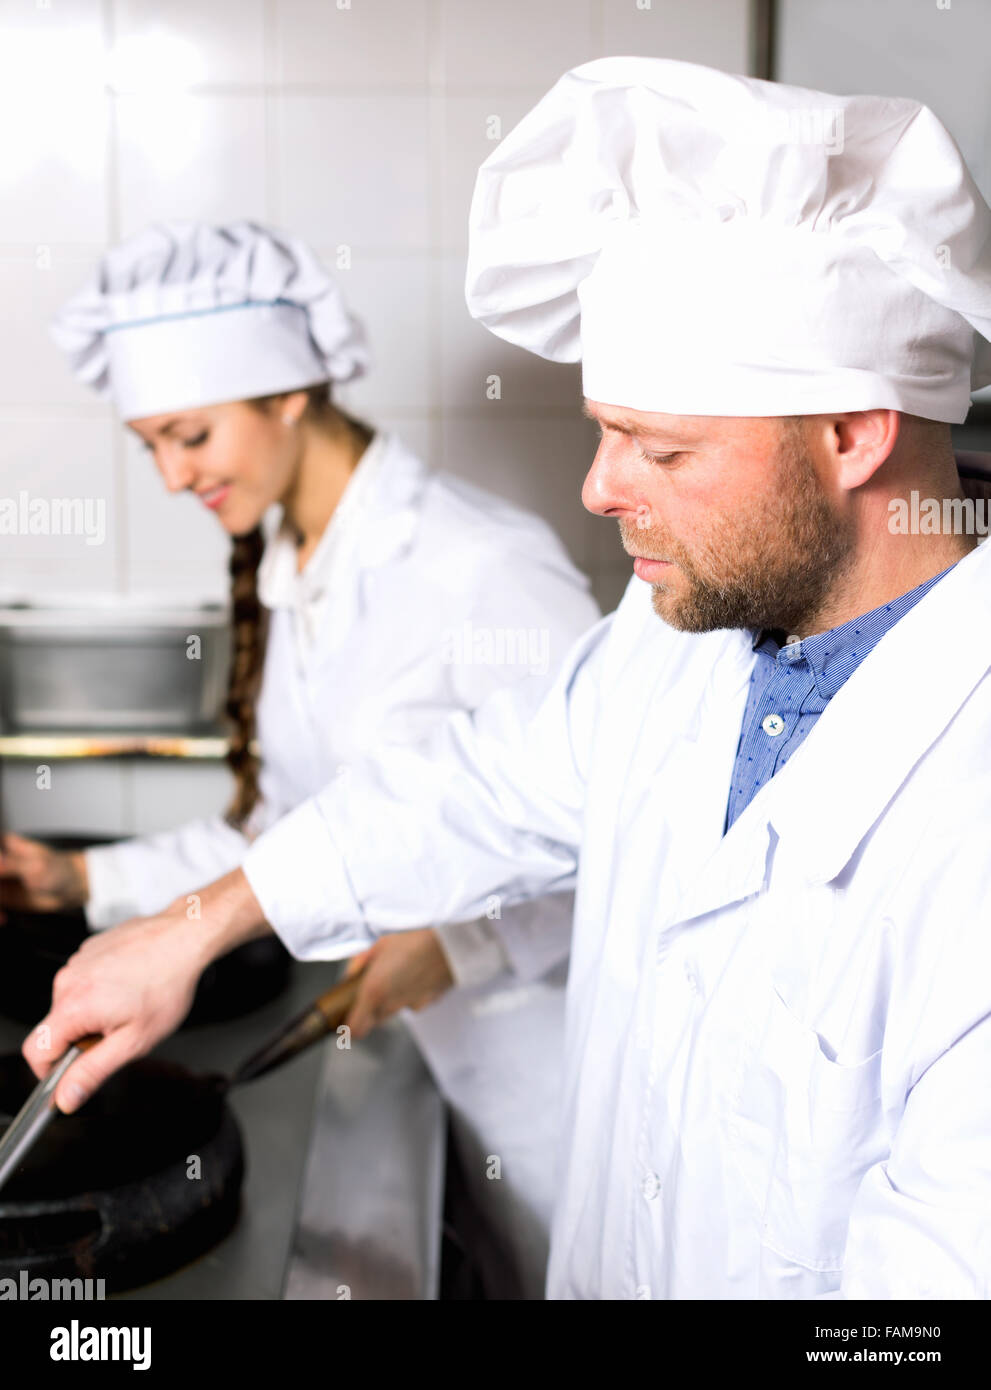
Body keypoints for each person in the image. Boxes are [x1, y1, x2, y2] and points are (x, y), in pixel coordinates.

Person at [16, 58, 991, 1299]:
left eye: (659, 447)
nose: (597, 487)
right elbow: (473, 788)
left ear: (853, 432)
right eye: (603, 429)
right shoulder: (668, 640)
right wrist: (188, 925)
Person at [0, 219, 600, 1299]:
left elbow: (617, 824)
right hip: (437, 1072)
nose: (172, 476)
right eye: (149, 446)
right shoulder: (291, 560)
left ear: (287, 393)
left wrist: (453, 949)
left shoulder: (478, 565)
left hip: (554, 1084)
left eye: (188, 435)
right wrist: (77, 879)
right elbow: (284, 827)